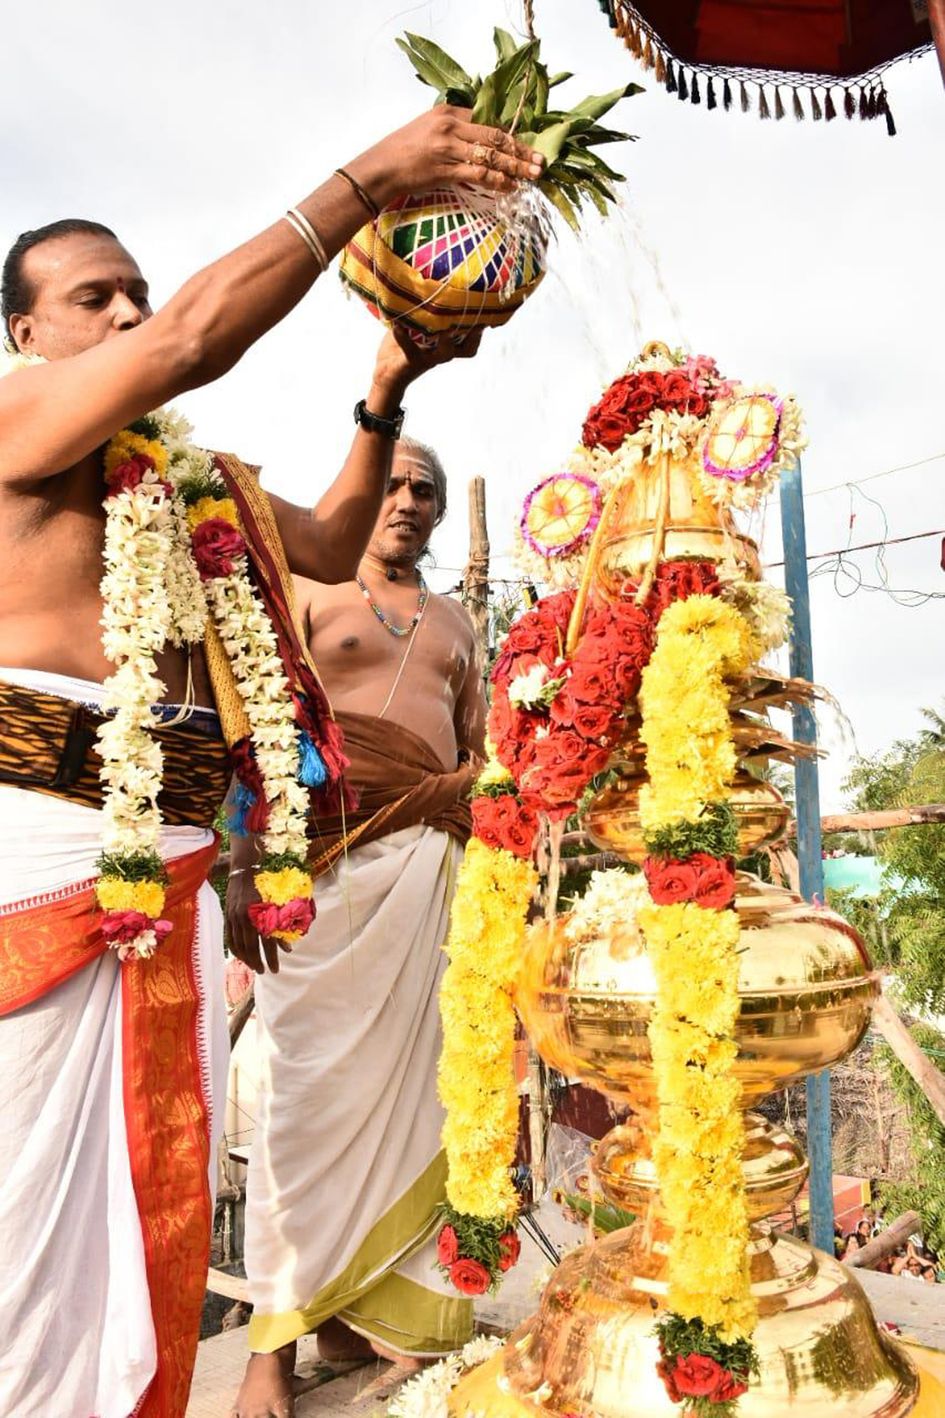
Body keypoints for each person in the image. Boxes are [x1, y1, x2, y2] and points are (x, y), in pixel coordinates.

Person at [0, 110, 543, 1418]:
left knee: (148, 1206)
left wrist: (386, 385)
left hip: (181, 866)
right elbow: (197, 334)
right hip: (47, 862)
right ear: (26, 336)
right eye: (96, 295)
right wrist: (372, 186)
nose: (132, 310)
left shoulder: (179, 481)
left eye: (138, 286)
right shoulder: (19, 424)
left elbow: (328, 535)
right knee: (26, 1219)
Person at [227, 438, 487, 1418]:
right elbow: (256, 724)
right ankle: (273, 1348)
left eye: (427, 487)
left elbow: (478, 749)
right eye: (394, 482)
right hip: (320, 868)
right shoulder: (305, 590)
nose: (410, 498)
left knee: (416, 1104)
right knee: (302, 1107)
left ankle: (353, 1307)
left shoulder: (459, 623)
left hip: (426, 872)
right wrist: (241, 863)